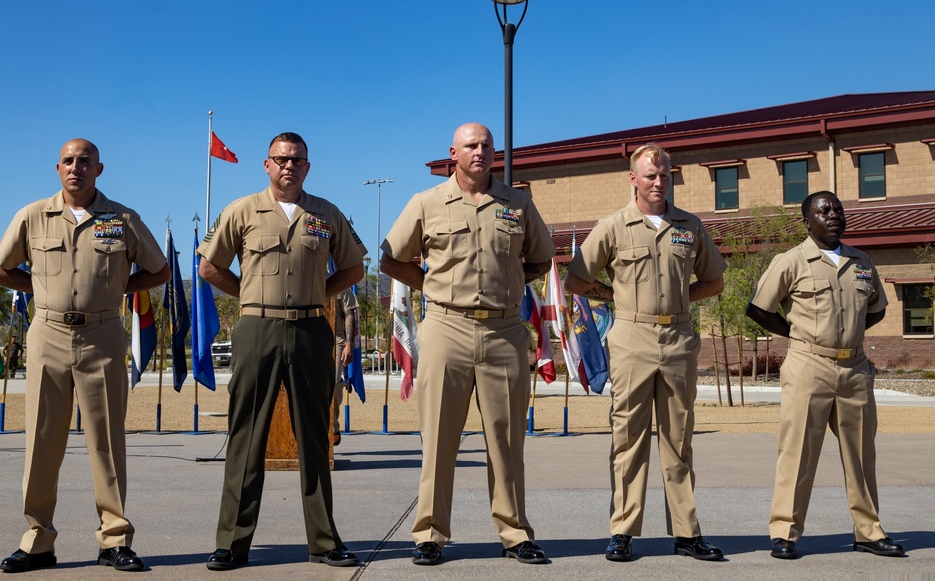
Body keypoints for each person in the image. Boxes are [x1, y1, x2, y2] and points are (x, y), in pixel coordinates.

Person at [0, 138, 171, 573]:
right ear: (57, 168)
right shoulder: (33, 216)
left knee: (106, 442)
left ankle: (114, 539)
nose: (76, 168)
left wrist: (116, 291)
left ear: (99, 169)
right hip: (48, 335)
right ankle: (37, 541)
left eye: (85, 161)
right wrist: (43, 292)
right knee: (41, 441)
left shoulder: (122, 219)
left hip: (103, 336)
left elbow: (159, 268)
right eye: (69, 161)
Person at [380, 122, 555, 566]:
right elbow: (391, 258)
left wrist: (509, 286)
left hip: (504, 332)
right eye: (471, 146)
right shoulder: (427, 202)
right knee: (438, 437)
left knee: (507, 438)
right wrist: (432, 286)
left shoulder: (517, 203)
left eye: (486, 146)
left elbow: (539, 258)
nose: (480, 152)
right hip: (446, 327)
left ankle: (515, 533)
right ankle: (430, 533)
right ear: (452, 153)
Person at [198, 132, 365, 570]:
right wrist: (249, 296)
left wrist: (322, 295)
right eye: (281, 159)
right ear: (267, 165)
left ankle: (325, 541)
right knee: (246, 436)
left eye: (297, 160)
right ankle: (231, 543)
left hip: (312, 328)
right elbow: (209, 266)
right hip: (258, 329)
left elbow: (354, 267)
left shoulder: (326, 214)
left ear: (307, 167)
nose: (289, 166)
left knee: (314, 434)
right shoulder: (241, 210)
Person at [565, 143, 726, 563]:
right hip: (631, 338)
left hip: (679, 339)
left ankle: (687, 534)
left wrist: (680, 300)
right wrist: (612, 295)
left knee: (679, 439)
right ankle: (623, 532)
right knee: (629, 439)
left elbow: (714, 281)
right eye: (650, 176)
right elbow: (576, 279)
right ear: (633, 179)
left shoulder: (689, 226)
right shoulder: (614, 226)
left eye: (665, 175)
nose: (659, 182)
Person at [746, 191, 904, 560]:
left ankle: (868, 531)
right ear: (807, 221)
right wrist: (799, 334)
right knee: (798, 452)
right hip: (808, 366)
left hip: (855, 368)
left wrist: (849, 333)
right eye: (823, 210)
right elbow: (758, 309)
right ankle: (784, 532)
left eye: (837, 209)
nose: (833, 215)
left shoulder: (862, 261)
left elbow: (876, 310)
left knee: (861, 454)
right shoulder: (791, 261)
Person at [331, 287, 357, 445]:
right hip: (309, 338)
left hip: (336, 338)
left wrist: (349, 344)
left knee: (332, 383)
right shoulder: (307, 282)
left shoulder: (339, 284)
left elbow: (349, 315)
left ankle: (333, 427)